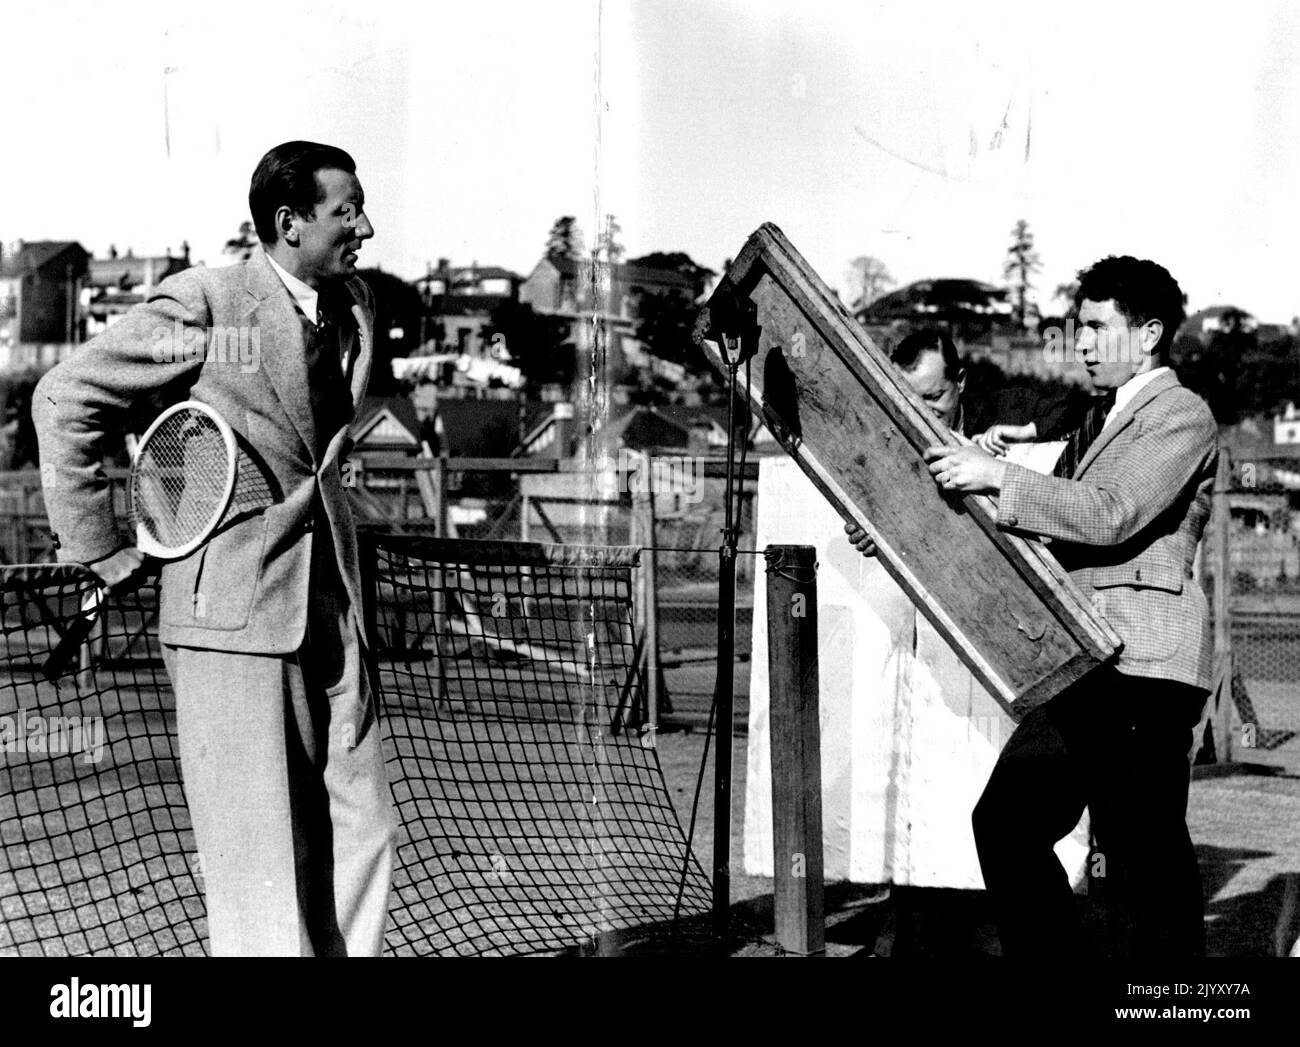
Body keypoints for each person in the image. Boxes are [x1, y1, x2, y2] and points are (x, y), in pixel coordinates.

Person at [33, 141, 398, 956]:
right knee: (258, 860)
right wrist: (99, 546)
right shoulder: (214, 309)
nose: (366, 226)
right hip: (228, 617)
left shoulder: (354, 306)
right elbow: (64, 395)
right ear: (288, 221)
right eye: (348, 210)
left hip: (330, 605)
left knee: (362, 823)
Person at [923, 255, 1217, 958]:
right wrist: (917, 521)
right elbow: (1041, 522)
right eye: (1076, 327)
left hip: (1145, 668)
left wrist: (998, 472)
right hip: (1086, 664)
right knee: (1006, 822)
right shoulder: (1100, 421)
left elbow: (1112, 513)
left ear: (1148, 332)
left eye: (1095, 326)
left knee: (1142, 858)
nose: (1080, 342)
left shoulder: (1180, 413)